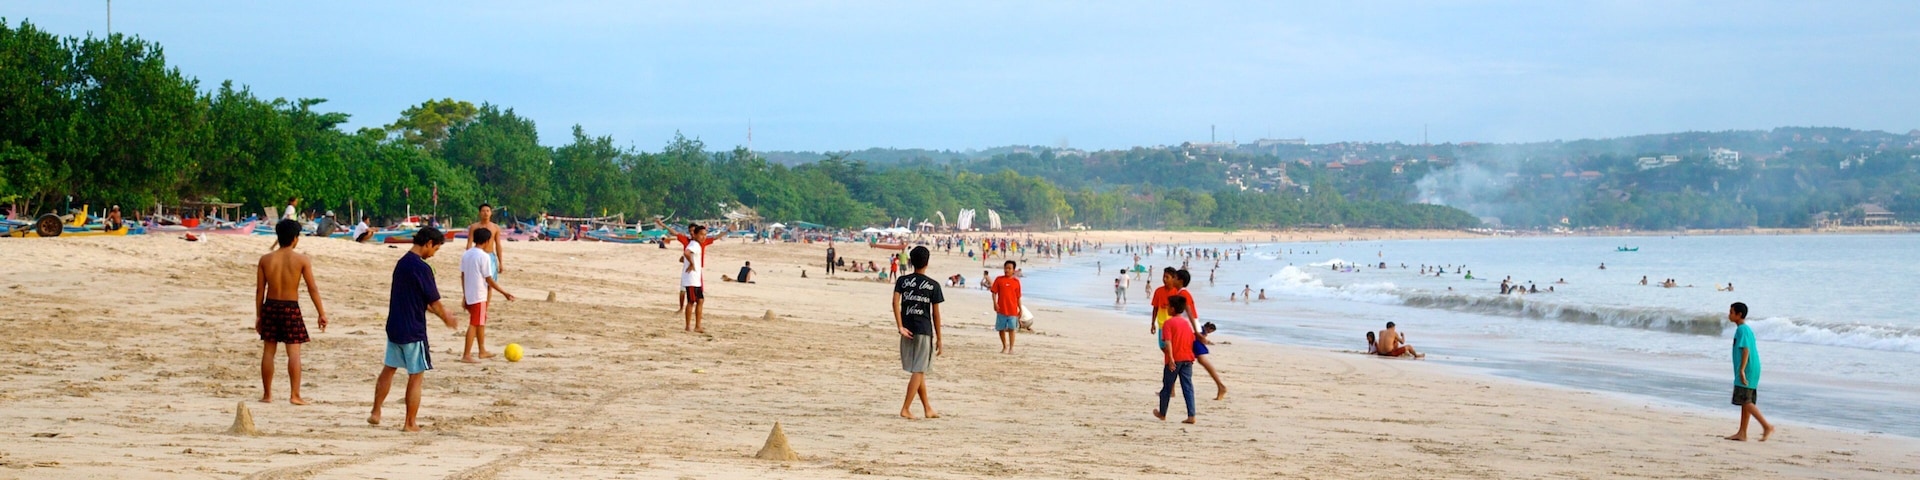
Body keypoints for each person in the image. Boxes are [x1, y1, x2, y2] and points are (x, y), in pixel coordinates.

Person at [369, 227, 458, 432]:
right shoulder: (422, 268)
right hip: (413, 328)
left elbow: (419, 300)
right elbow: (434, 302)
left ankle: (376, 411)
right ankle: (410, 422)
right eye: (435, 248)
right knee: (416, 374)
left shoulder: (402, 263)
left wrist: (440, 313)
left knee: (389, 368)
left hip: (395, 325)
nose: (434, 253)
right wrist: (447, 318)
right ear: (428, 244)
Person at [254, 219, 329, 405]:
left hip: (270, 306)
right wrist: (321, 313)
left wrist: (259, 315)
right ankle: (295, 395)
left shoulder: (265, 259)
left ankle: (267, 395)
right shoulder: (301, 260)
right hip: (290, 307)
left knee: (269, 351)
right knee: (294, 353)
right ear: (295, 239)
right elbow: (312, 288)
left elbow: (260, 290)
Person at [893, 246, 944, 420]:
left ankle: (927, 408)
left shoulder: (902, 280)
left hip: (906, 329)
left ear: (910, 261)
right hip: (923, 330)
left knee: (918, 369)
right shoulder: (933, 285)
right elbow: (935, 314)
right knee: (920, 369)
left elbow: (895, 303)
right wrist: (939, 338)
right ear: (927, 262)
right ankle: (906, 408)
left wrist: (900, 326)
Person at [657, 219, 727, 333]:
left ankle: (697, 325)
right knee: (691, 301)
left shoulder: (699, 244)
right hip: (691, 277)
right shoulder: (693, 243)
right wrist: (691, 263)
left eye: (705, 235)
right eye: (701, 234)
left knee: (700, 300)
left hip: (696, 276)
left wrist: (727, 230)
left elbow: (715, 238)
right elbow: (686, 252)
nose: (703, 237)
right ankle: (688, 325)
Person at [460, 228, 517, 363]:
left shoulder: (467, 254)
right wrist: (504, 293)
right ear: (487, 241)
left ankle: (482, 350)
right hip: (479, 294)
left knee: (480, 322)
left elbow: (463, 275)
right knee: (474, 323)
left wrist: (464, 294)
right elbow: (489, 279)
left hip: (469, 292)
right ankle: (466, 354)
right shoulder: (483, 256)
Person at [1725, 302, 1774, 441]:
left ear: (1739, 314)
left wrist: (1741, 370)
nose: (1729, 314)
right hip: (1752, 368)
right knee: (1746, 400)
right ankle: (1742, 433)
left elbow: (1746, 349)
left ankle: (1766, 426)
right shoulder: (1745, 329)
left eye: (1731, 312)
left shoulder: (1742, 329)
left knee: (1745, 401)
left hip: (1747, 368)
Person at [1153, 296, 1198, 424]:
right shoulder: (1186, 323)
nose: (1166, 308)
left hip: (1174, 359)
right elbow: (1191, 340)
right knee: (1188, 387)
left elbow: (1168, 342)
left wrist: (1171, 358)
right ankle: (1191, 415)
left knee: (1167, 387)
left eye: (1168, 306)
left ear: (1172, 309)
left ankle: (1162, 413)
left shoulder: (1168, 323)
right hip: (1188, 358)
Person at [464, 203, 505, 301]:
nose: (485, 213)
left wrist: (501, 262)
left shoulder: (495, 228)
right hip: (477, 255)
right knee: (476, 282)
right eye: (483, 211)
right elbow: (469, 243)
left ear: (491, 213)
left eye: (487, 211)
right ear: (479, 213)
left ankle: (485, 307)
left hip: (490, 256)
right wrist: (468, 257)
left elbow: (498, 245)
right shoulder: (474, 227)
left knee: (490, 284)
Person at [989, 260, 1023, 354]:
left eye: (1009, 268)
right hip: (1001, 309)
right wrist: (995, 303)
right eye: (1005, 268)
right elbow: (994, 292)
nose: (1007, 270)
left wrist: (1020, 308)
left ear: (1013, 270)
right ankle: (1004, 346)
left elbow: (1018, 297)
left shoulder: (1016, 282)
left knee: (1012, 329)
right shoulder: (999, 279)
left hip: (1012, 310)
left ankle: (1011, 348)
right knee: (1001, 329)